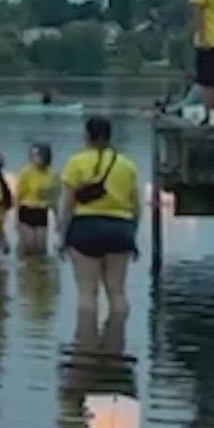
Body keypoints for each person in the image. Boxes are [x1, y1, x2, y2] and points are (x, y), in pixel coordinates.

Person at [57, 115, 142, 323]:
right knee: (118, 293)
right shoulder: (127, 165)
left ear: (86, 135)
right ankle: (117, 341)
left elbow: (67, 204)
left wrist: (62, 237)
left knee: (87, 294)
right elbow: (136, 207)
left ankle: (87, 345)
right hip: (119, 228)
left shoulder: (76, 162)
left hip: (85, 227)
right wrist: (132, 235)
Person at [15, 143, 55, 255]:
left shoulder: (52, 174)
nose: (34, 158)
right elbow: (19, 196)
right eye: (32, 155)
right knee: (28, 244)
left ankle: (40, 270)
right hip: (26, 210)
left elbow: (55, 196)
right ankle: (26, 269)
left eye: (37, 155)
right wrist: (16, 219)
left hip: (42, 211)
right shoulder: (26, 172)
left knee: (41, 246)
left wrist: (58, 218)